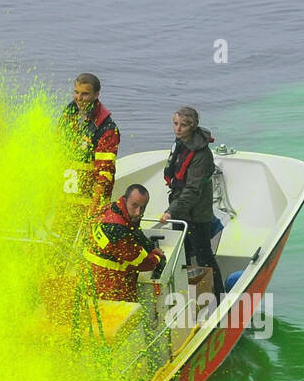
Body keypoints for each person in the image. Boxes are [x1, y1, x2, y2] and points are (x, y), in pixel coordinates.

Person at [159, 106, 224, 301]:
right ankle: (189, 295)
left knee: (204, 257)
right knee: (183, 254)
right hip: (181, 209)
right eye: (176, 123)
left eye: (183, 125)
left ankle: (216, 297)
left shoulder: (201, 155)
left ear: (193, 126)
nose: (178, 129)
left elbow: (193, 191)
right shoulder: (181, 143)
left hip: (196, 213)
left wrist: (171, 211)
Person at [85, 184, 165, 301]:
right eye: (135, 206)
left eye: (142, 208)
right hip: (106, 283)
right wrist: (158, 259)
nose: (138, 212)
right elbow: (140, 261)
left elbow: (135, 231)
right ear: (126, 200)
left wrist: (150, 247)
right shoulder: (117, 230)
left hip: (92, 273)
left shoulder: (114, 209)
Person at [60, 73, 120, 217]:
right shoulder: (68, 117)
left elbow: (105, 173)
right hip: (65, 197)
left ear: (96, 95)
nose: (79, 98)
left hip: (89, 201)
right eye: (76, 92)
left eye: (85, 94)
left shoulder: (107, 128)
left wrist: (94, 206)